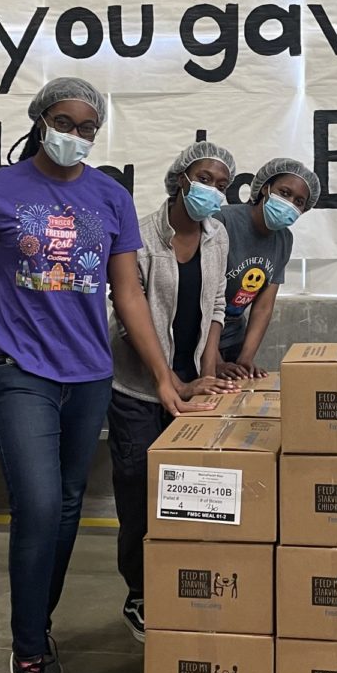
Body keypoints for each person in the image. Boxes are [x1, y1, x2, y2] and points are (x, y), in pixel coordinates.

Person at [0, 78, 217, 673]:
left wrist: (163, 377)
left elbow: (130, 294)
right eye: (65, 120)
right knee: (36, 505)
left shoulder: (109, 196)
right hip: (18, 370)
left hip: (88, 376)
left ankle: (39, 627)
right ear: (39, 121)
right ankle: (28, 659)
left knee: (62, 510)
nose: (76, 134)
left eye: (88, 126)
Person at [109, 139, 239, 642]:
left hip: (193, 387)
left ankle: (184, 586)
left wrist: (207, 369)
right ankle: (139, 593)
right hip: (139, 390)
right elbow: (129, 318)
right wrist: (170, 380)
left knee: (191, 495)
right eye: (205, 179)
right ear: (181, 177)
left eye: (223, 185)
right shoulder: (138, 237)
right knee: (139, 495)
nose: (213, 191)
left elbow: (218, 303)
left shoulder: (218, 235)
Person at [214, 157, 321, 375]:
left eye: (299, 202)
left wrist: (245, 358)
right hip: (195, 337)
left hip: (232, 338)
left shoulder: (284, 240)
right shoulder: (222, 222)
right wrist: (214, 361)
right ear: (265, 188)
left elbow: (263, 307)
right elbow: (197, 297)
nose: (290, 203)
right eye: (284, 193)